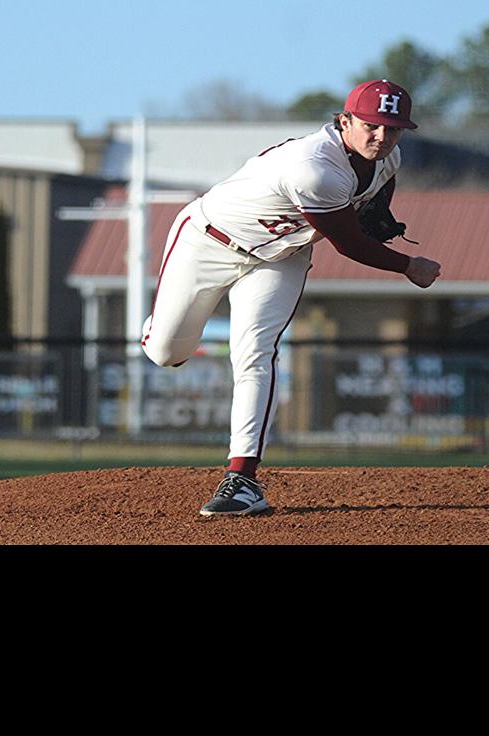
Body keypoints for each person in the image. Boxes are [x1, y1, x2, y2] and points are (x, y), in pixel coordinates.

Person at [141, 79, 444, 516]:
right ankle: (158, 329)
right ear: (344, 121)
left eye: (393, 129)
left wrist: (376, 211)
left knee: (255, 353)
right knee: (167, 353)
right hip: (208, 241)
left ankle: (242, 478)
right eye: (371, 126)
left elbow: (380, 188)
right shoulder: (314, 166)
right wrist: (406, 266)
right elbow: (349, 244)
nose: (382, 138)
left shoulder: (388, 157)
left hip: (280, 256)